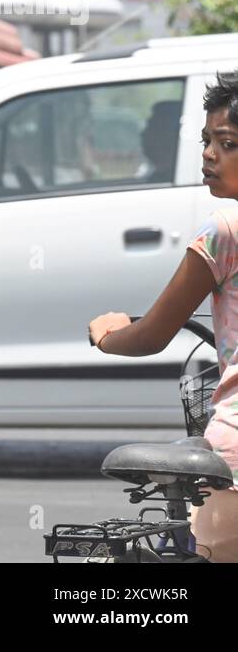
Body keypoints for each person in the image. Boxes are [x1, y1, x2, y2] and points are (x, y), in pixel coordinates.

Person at [88, 70, 238, 562]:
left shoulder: (225, 230)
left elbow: (152, 335)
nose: (209, 155)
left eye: (227, 142)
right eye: (206, 140)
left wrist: (108, 335)